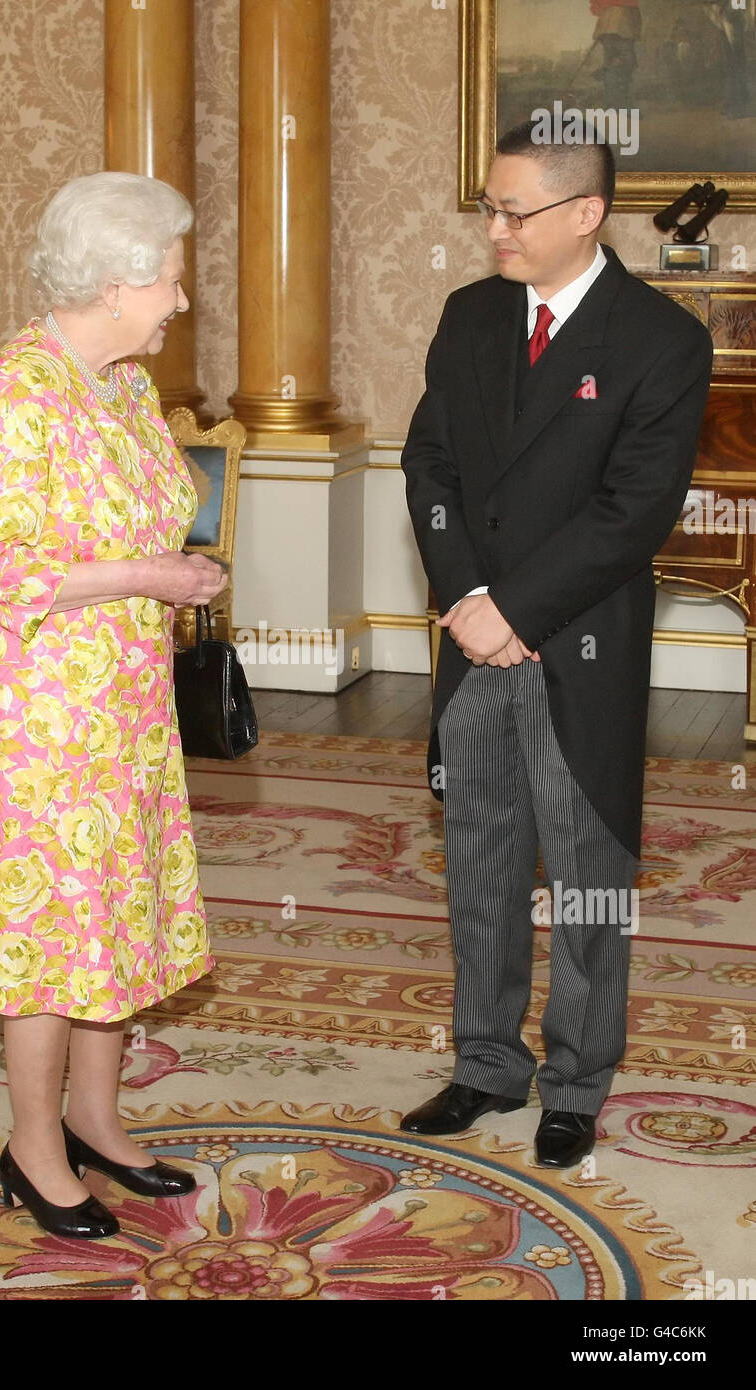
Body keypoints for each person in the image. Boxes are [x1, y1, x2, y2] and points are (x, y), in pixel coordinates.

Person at [399, 121, 713, 1168]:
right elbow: (429, 464)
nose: (492, 229)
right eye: (486, 207)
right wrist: (467, 595)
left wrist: (515, 611)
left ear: (586, 214)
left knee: (586, 869)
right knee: (479, 859)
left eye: (512, 211)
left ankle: (577, 1078)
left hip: (576, 647)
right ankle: (485, 1061)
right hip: (475, 634)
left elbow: (632, 514)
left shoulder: (661, 339)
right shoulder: (471, 317)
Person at [0, 171, 228, 1238]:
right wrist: (153, 577)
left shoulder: (126, 386)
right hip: (36, 707)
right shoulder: (14, 390)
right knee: (51, 921)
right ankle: (33, 1148)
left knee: (114, 903)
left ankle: (96, 1119)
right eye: (172, 281)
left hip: (125, 698)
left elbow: (146, 517)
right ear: (115, 282)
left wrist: (177, 571)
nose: (181, 301)